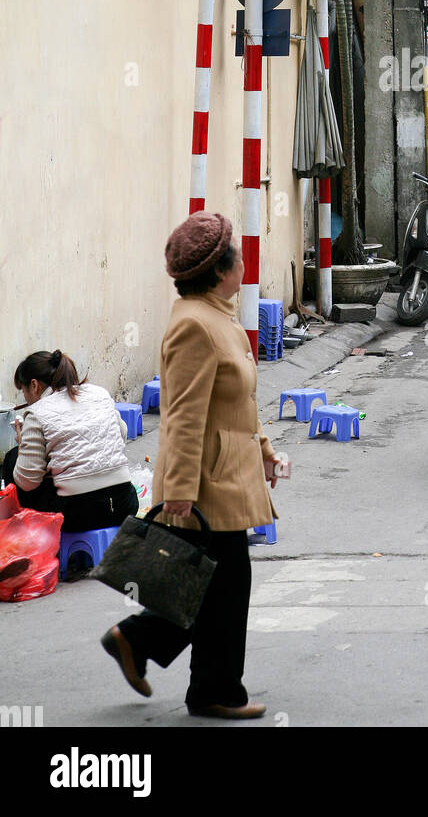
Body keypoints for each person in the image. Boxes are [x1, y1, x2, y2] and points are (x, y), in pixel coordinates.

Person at [101, 212, 288, 721]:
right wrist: (180, 489)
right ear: (220, 269)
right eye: (238, 257)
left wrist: (265, 450)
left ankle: (139, 642)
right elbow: (182, 415)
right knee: (222, 587)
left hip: (226, 471)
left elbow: (236, 402)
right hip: (205, 483)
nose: (245, 264)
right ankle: (212, 689)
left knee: (209, 584)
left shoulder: (216, 315)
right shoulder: (194, 325)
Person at [2, 350, 138, 533]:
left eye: (24, 392)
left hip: (78, 514)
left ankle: (27, 535)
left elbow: (27, 482)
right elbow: (121, 433)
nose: (26, 399)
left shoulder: (38, 412)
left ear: (34, 385)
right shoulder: (99, 393)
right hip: (125, 504)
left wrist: (23, 445)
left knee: (12, 459)